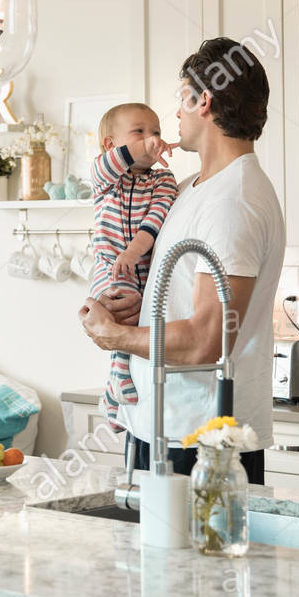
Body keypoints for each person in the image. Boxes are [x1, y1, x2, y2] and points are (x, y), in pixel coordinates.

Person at [78, 37, 285, 483]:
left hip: (202, 443)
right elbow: (178, 301)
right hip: (163, 427)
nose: (174, 116)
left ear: (204, 101)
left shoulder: (235, 201)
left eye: (181, 101)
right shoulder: (192, 188)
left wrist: (116, 335)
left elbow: (207, 340)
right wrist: (135, 310)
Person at [88, 102, 178, 427]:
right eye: (139, 132)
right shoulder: (105, 180)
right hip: (107, 267)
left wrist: (134, 252)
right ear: (112, 146)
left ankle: (113, 388)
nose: (152, 139)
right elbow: (103, 167)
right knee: (117, 303)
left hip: (141, 269)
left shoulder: (163, 180)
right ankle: (120, 378)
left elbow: (155, 219)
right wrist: (121, 257)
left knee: (132, 323)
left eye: (156, 132)